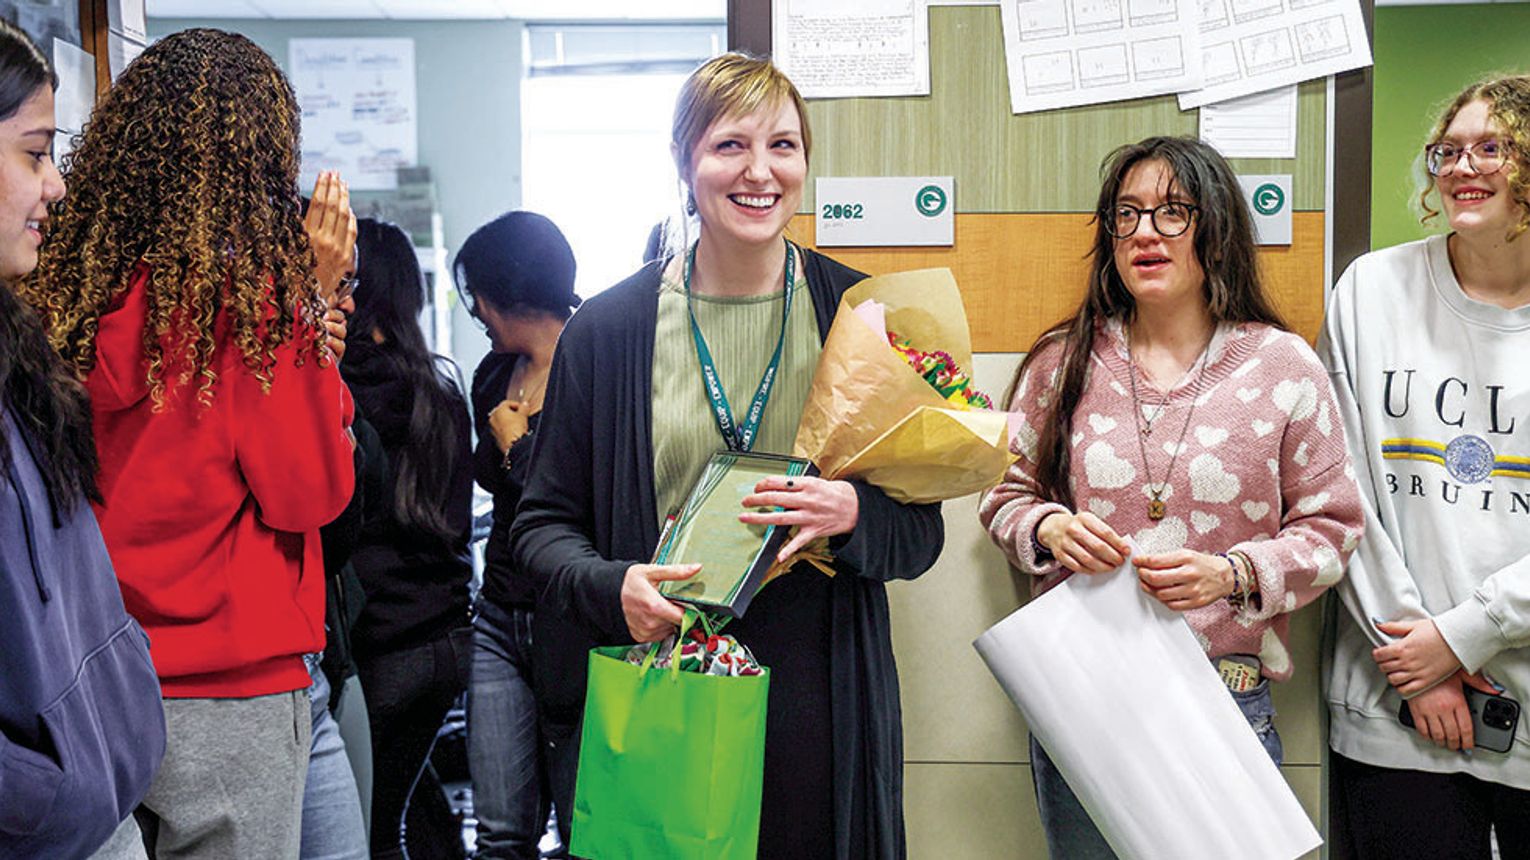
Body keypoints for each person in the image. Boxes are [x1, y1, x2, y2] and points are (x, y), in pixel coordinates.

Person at [510, 53, 944, 859]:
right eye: (730, 145)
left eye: (783, 145)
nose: (760, 171)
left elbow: (922, 535)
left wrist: (854, 515)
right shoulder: (607, 332)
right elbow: (539, 529)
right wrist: (615, 589)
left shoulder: (861, 316)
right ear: (685, 161)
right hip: (664, 672)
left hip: (819, 685)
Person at [20, 28, 358, 858]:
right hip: (231, 687)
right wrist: (308, 317)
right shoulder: (251, 307)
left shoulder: (60, 291)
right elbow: (311, 491)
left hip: (93, 680)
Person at [979, 136, 1365, 859]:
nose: (1145, 233)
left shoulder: (1283, 366)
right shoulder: (1060, 362)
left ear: (1216, 227)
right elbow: (1004, 496)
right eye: (1125, 216)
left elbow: (1335, 530)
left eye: (1172, 212)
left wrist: (1234, 573)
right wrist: (1050, 528)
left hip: (1224, 694)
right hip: (1083, 696)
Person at [1321, 75, 1530, 858]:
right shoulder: (1371, 291)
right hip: (1396, 707)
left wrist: (1465, 635)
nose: (1461, 167)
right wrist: (1422, 663)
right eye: (1448, 149)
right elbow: (1337, 489)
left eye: (1493, 147)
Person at [0, 18, 164, 860]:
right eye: (34, 153)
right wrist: (43, 796)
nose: (56, 186)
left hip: (93, 806)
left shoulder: (18, 343)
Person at [340, 218, 473, 860]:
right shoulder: (441, 387)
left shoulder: (335, 387)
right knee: (399, 814)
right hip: (450, 642)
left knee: (369, 832)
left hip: (379, 649)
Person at [456, 210, 578, 860]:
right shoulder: (490, 375)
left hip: (576, 621)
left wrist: (519, 445)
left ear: (505, 293)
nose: (474, 310)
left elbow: (579, 503)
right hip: (501, 614)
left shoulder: (597, 364)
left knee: (586, 828)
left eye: (477, 293)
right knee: (501, 832)